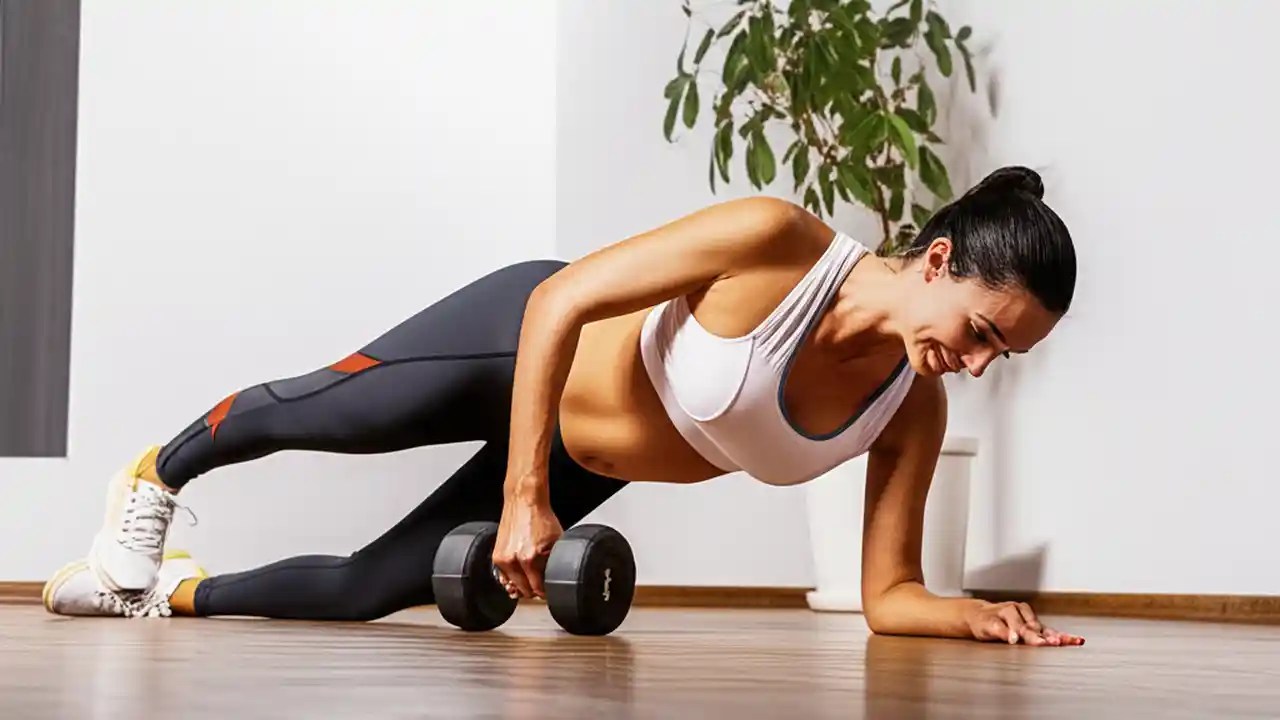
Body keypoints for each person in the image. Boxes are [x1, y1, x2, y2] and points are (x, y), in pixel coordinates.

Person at [44, 165, 1083, 647]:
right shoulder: (778, 241)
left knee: (371, 589)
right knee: (326, 413)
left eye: (1006, 355)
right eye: (985, 332)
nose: (980, 364)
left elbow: (888, 596)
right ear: (938, 260)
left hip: (589, 462)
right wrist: (521, 491)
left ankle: (158, 596)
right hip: (517, 345)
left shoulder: (908, 407)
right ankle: (155, 476)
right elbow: (563, 296)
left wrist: (970, 616)